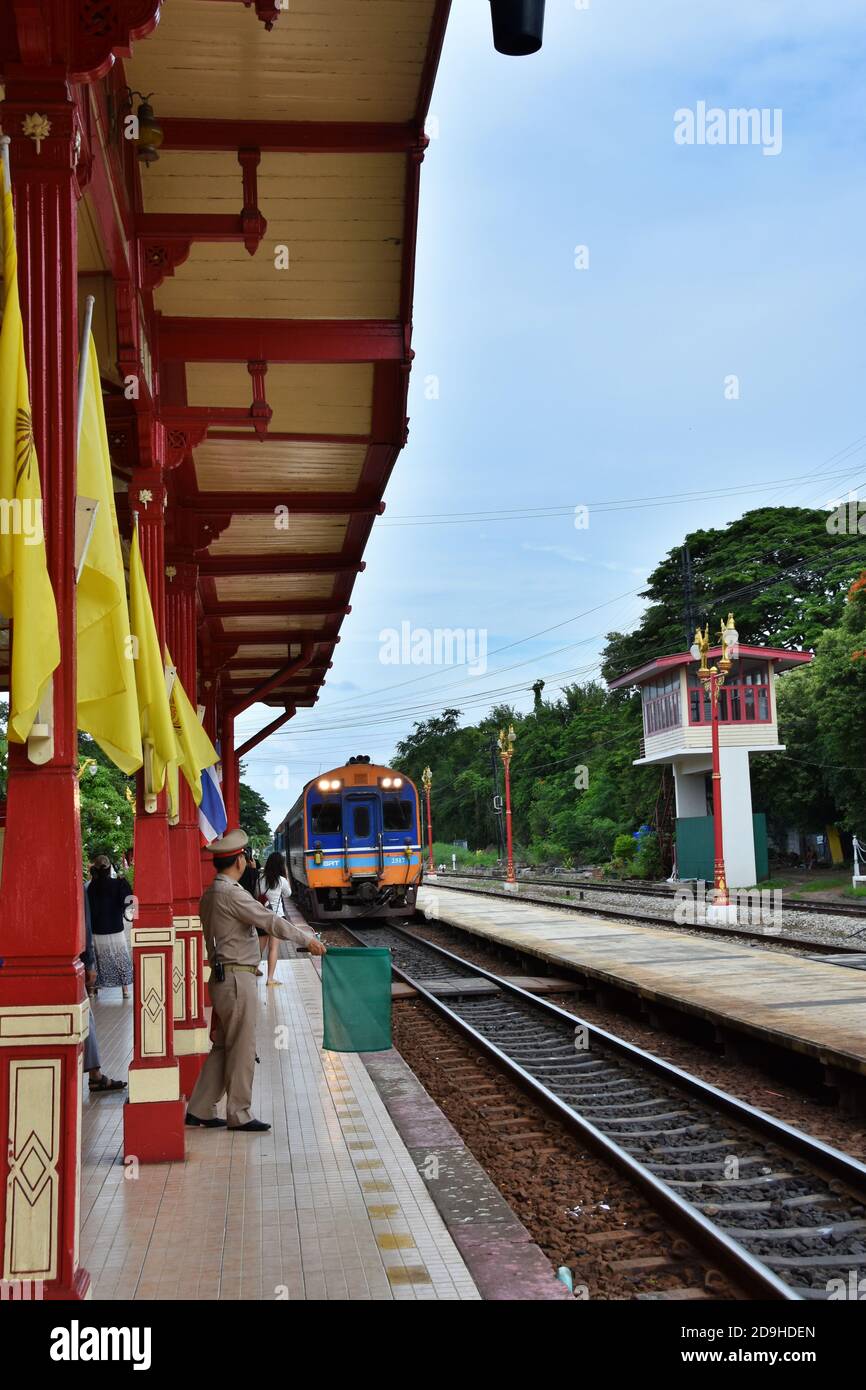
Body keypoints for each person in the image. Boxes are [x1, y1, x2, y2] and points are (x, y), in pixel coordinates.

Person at [186, 828, 326, 1133]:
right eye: (245, 857)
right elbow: (270, 920)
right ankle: (239, 1113)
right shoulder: (231, 893)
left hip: (224, 977)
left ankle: (198, 1108)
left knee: (224, 1046)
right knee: (242, 1046)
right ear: (239, 861)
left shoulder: (211, 893)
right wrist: (308, 939)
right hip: (237, 978)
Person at [81, 884, 126, 1094]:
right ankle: (95, 1075)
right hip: (108, 933)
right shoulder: (78, 887)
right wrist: (88, 963)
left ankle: (94, 1074)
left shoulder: (88, 887)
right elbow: (84, 924)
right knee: (84, 1016)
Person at [87, 855, 134, 999]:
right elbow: (129, 901)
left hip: (97, 929)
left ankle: (92, 990)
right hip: (115, 927)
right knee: (120, 957)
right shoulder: (118, 884)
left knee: (98, 959)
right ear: (109, 869)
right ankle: (125, 990)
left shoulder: (90, 887)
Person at [256, 851, 295, 987]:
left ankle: (254, 968)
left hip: (261, 917)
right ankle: (270, 978)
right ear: (280, 865)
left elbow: (256, 895)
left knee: (260, 947)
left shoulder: (260, 879)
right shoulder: (281, 880)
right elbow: (288, 894)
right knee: (273, 948)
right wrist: (286, 875)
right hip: (276, 917)